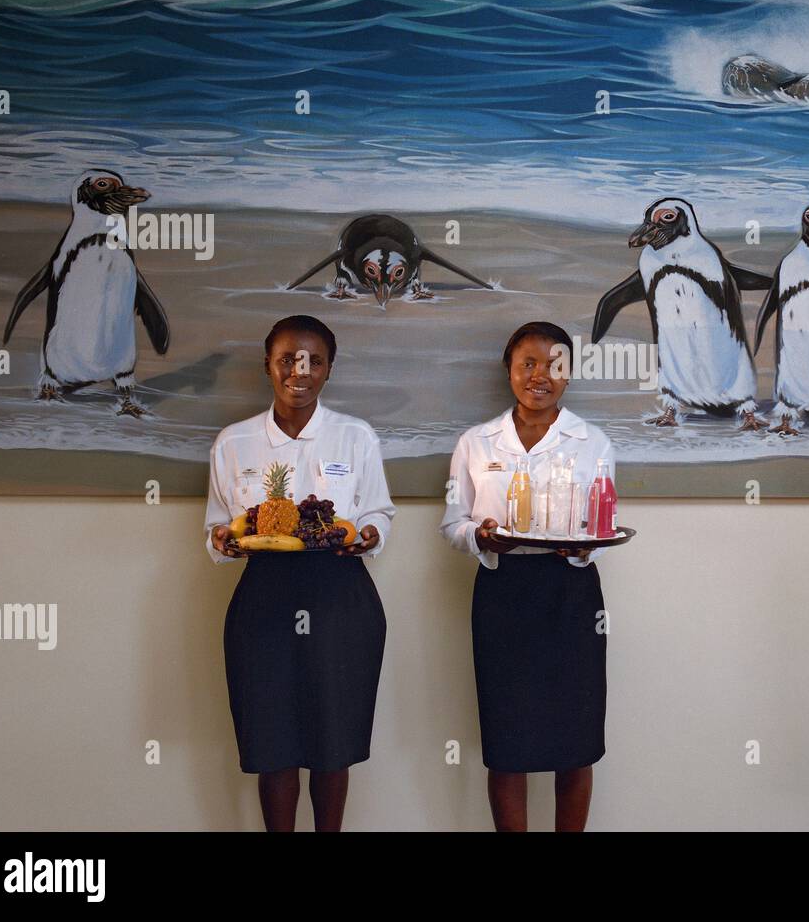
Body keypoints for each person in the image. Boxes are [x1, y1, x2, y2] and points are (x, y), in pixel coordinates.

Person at [204, 314, 394, 832]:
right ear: (268, 364)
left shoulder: (355, 436)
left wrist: (371, 535)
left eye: (313, 360)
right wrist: (222, 540)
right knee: (273, 741)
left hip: (340, 598)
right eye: (288, 358)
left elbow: (377, 514)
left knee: (332, 743)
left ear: (329, 370)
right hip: (263, 601)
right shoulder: (233, 443)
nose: (299, 369)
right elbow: (218, 530)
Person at [440, 321, 616, 831]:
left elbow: (601, 526)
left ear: (569, 374)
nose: (540, 375)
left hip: (572, 596)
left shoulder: (592, 441)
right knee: (506, 742)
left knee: (575, 741)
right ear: (509, 370)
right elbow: (453, 523)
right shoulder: (476, 443)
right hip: (503, 594)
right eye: (528, 364)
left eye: (554, 364)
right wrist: (481, 536)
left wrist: (580, 549)